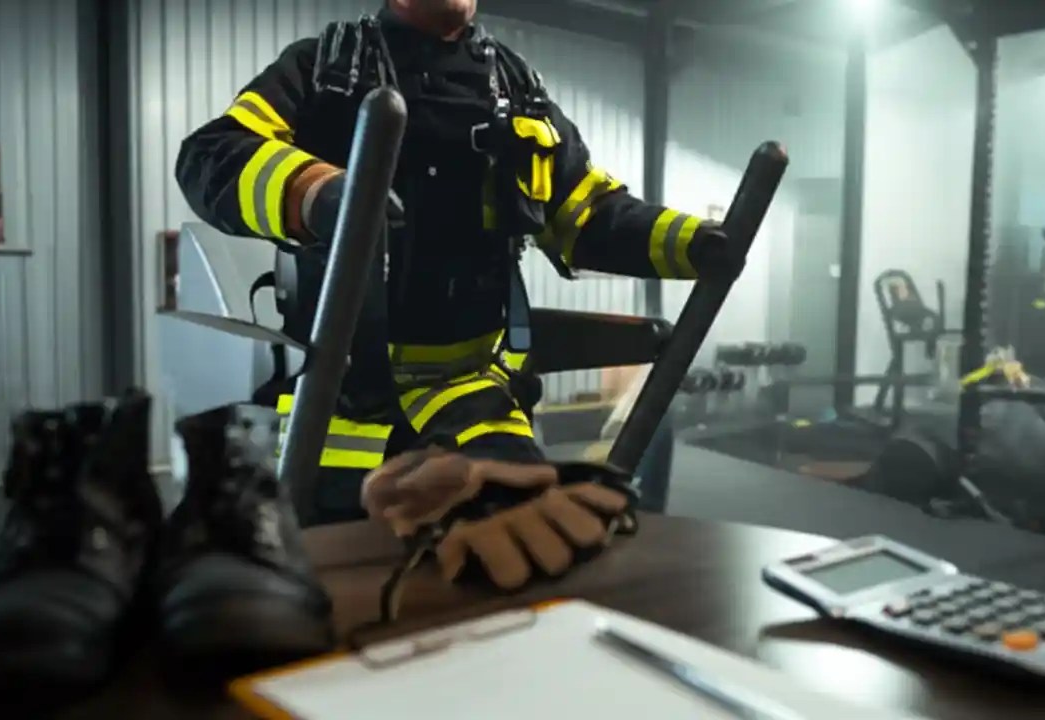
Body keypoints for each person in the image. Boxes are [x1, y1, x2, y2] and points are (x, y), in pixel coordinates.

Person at [175, 0, 739, 533]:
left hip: (472, 393)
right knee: (337, 571)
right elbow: (211, 154)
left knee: (522, 540)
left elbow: (585, 215)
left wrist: (691, 242)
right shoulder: (325, 71)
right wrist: (315, 194)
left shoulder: (517, 91)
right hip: (340, 401)